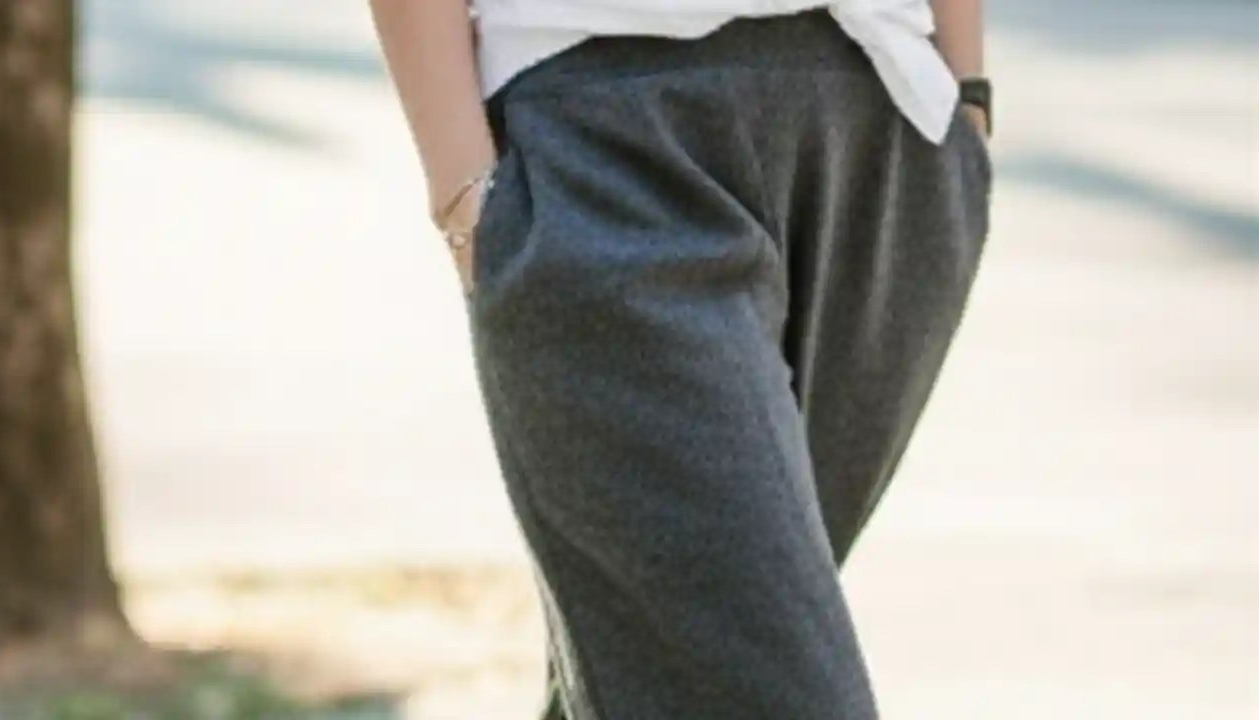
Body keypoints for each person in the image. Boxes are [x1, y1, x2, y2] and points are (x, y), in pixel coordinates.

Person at [369, 1, 992, 717]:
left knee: (665, 671)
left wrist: (967, 98)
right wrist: (465, 197)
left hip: (881, 117)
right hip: (603, 134)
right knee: (764, 688)